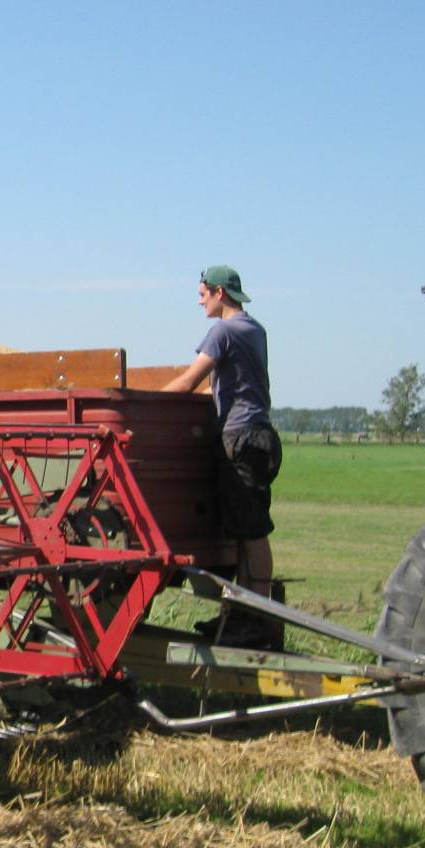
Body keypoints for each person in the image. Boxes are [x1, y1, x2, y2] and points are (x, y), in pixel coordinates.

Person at [163, 265, 283, 648]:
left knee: (252, 532)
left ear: (218, 292)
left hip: (241, 437)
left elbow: (187, 381)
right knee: (244, 534)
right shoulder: (255, 329)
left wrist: (144, 403)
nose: (199, 300)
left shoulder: (224, 332)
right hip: (260, 435)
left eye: (202, 294)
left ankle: (258, 618)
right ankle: (241, 615)